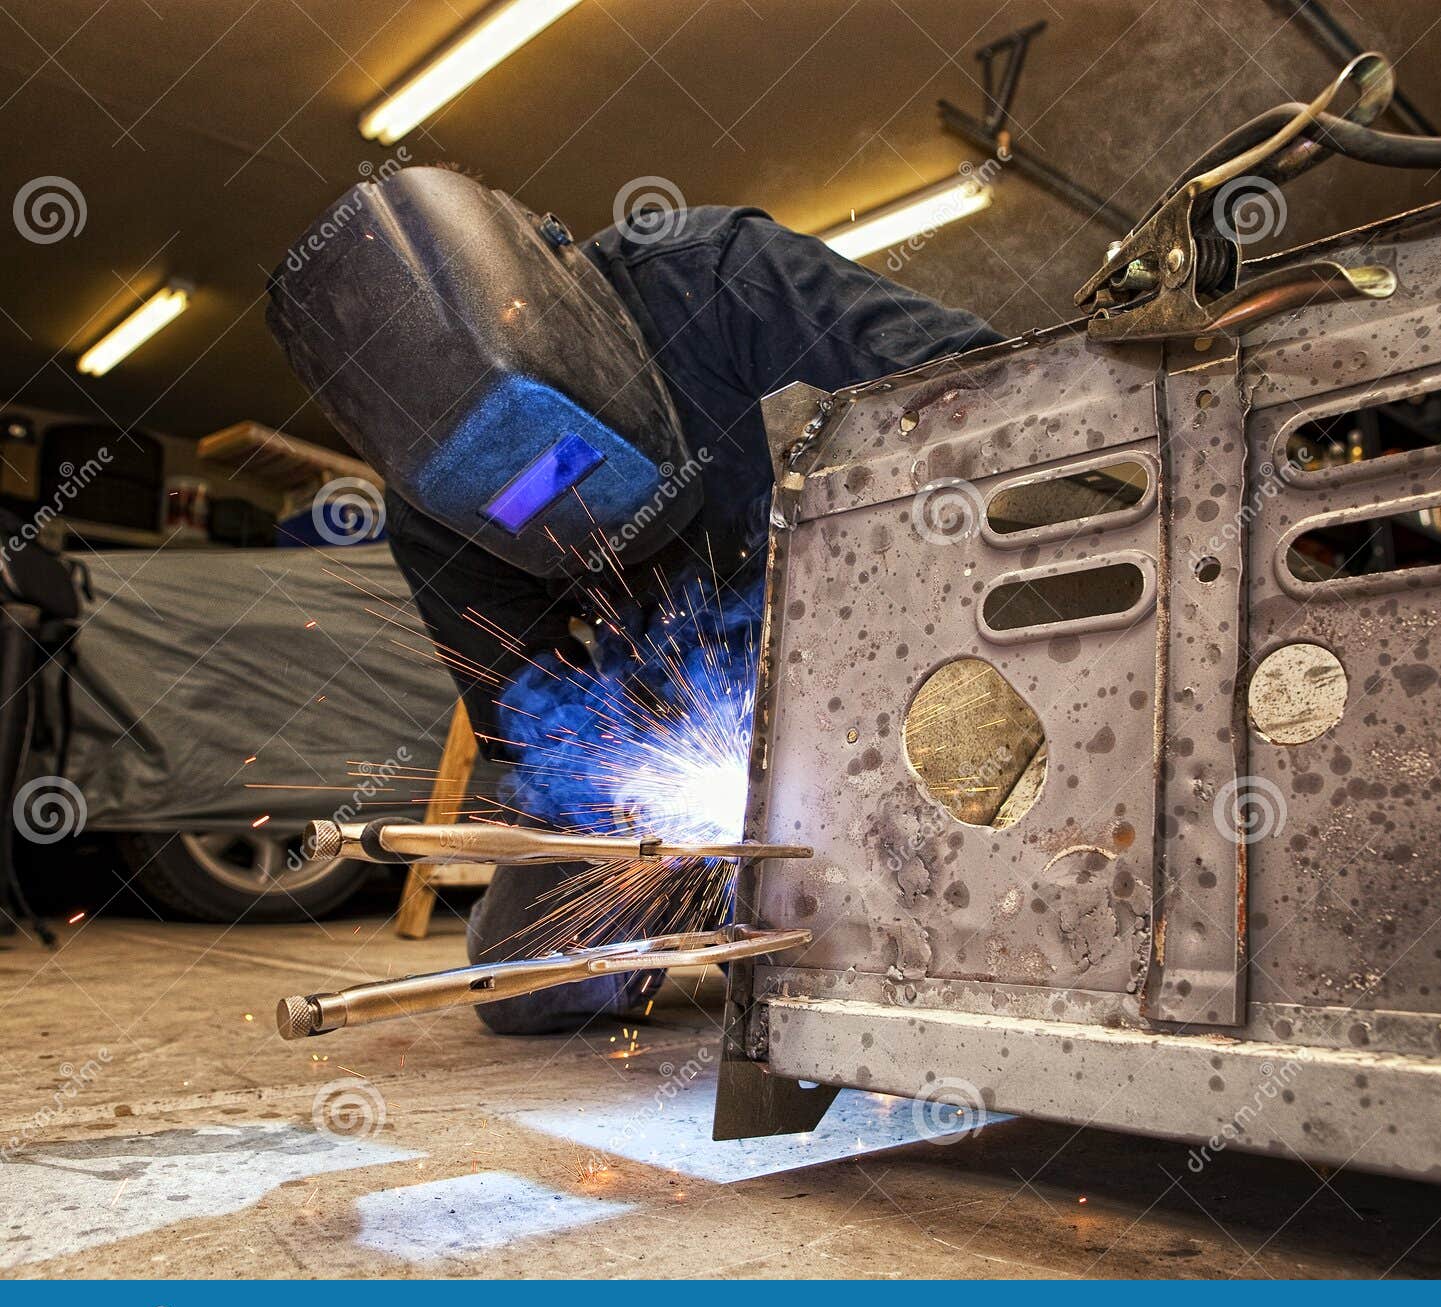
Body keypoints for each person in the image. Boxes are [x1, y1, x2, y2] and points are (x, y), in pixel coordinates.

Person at [269, 167, 1000, 1033]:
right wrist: (624, 784)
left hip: (911, 651)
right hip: (687, 742)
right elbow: (523, 710)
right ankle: (735, 900)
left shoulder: (720, 277)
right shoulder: (429, 523)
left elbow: (1002, 404)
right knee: (528, 985)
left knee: (975, 905)